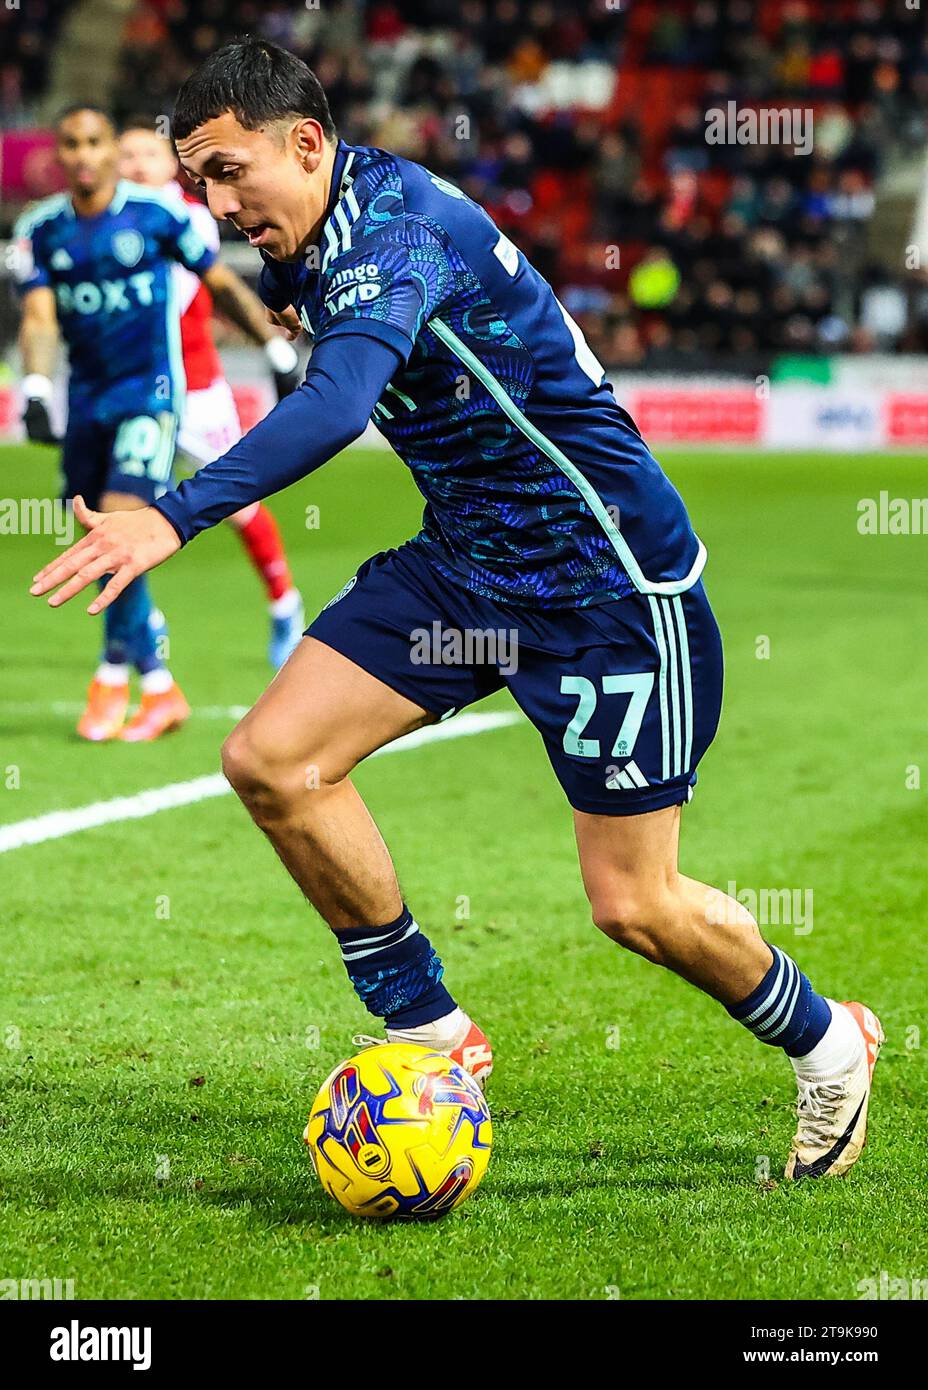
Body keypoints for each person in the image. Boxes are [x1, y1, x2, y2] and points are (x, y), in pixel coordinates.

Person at [32, 42, 882, 1177]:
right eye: (201, 186)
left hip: (606, 584)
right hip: (468, 567)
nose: (221, 206)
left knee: (634, 904)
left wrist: (173, 514)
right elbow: (325, 349)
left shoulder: (396, 230)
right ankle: (431, 1032)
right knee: (273, 761)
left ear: (305, 142)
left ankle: (829, 1043)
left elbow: (336, 406)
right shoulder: (308, 235)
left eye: (231, 173)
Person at [16, 105, 211, 740]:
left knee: (118, 527)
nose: (85, 155)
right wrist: (39, 386)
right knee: (100, 534)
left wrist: (275, 345)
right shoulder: (43, 230)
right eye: (70, 143)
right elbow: (40, 317)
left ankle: (110, 677)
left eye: (96, 142)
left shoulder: (160, 215)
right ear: (60, 154)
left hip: (154, 395)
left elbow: (217, 276)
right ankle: (157, 684)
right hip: (89, 405)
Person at [118, 119, 306, 668]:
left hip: (195, 386)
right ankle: (144, 628)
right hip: (129, 394)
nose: (133, 166)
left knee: (237, 504)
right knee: (124, 507)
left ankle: (283, 603)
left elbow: (177, 297)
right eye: (124, 156)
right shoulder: (104, 225)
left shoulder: (188, 217)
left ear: (169, 166)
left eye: (145, 156)